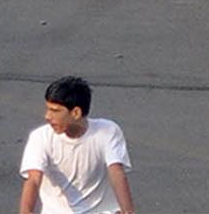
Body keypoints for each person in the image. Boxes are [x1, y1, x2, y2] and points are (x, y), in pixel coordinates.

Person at [18, 76, 135, 214]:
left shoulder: (108, 131)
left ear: (76, 113)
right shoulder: (40, 137)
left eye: (55, 111)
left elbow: (116, 172)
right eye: (48, 109)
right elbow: (34, 178)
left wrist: (128, 211)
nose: (47, 116)